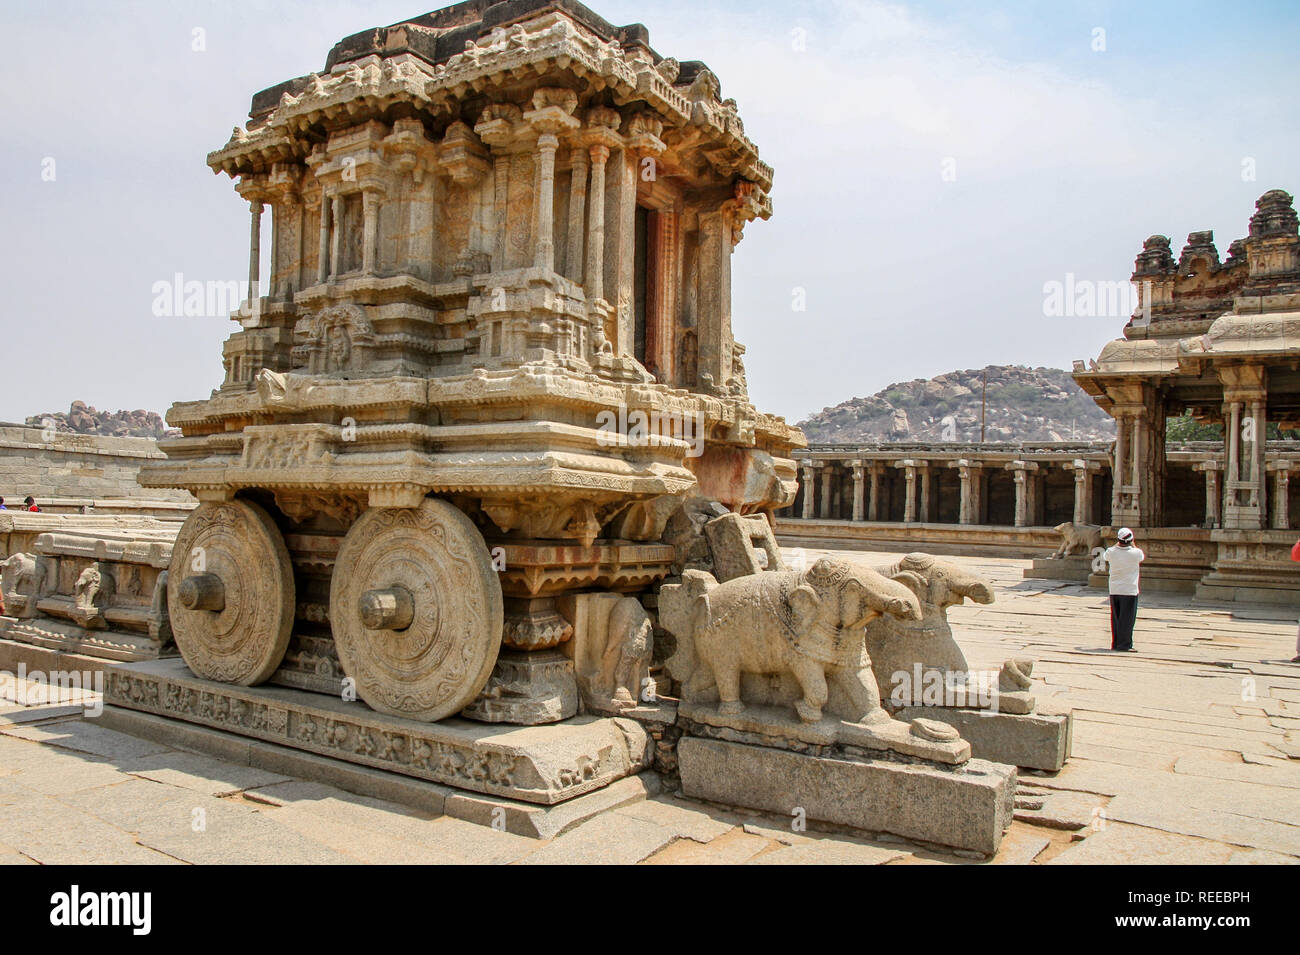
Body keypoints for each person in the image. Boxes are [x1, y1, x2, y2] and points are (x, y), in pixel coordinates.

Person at [1104, 527, 1144, 652]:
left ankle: (1116, 643)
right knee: (1127, 619)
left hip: (1115, 589)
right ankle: (1125, 644)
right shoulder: (1136, 553)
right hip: (1129, 590)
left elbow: (1106, 556)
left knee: (1116, 618)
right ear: (1131, 540)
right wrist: (1132, 544)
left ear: (1118, 540)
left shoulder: (1111, 551)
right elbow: (1140, 556)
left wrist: (1117, 544)